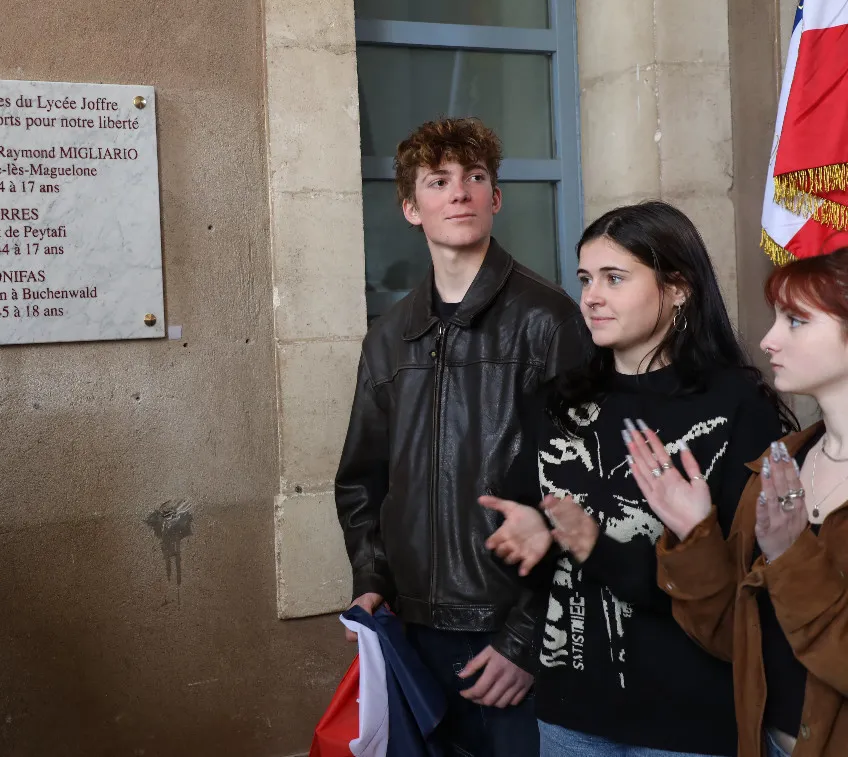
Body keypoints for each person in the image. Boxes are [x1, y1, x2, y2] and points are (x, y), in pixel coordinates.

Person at [479, 201, 792, 757]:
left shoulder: (738, 407)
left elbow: (743, 588)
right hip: (571, 712)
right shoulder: (557, 404)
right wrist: (527, 537)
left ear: (677, 288)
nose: (591, 297)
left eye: (614, 278)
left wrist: (594, 546)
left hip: (692, 720)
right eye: (585, 279)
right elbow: (540, 565)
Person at [335, 117, 587, 756]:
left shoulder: (547, 318)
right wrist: (373, 580)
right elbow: (361, 480)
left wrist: (529, 638)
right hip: (413, 633)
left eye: (476, 178)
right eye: (439, 181)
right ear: (411, 207)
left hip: (511, 633)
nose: (460, 193)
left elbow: (586, 491)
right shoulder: (391, 336)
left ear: (495, 198)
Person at [636, 248, 848, 757]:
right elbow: (740, 642)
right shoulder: (780, 466)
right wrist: (694, 534)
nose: (768, 340)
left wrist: (792, 554)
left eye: (796, 321)